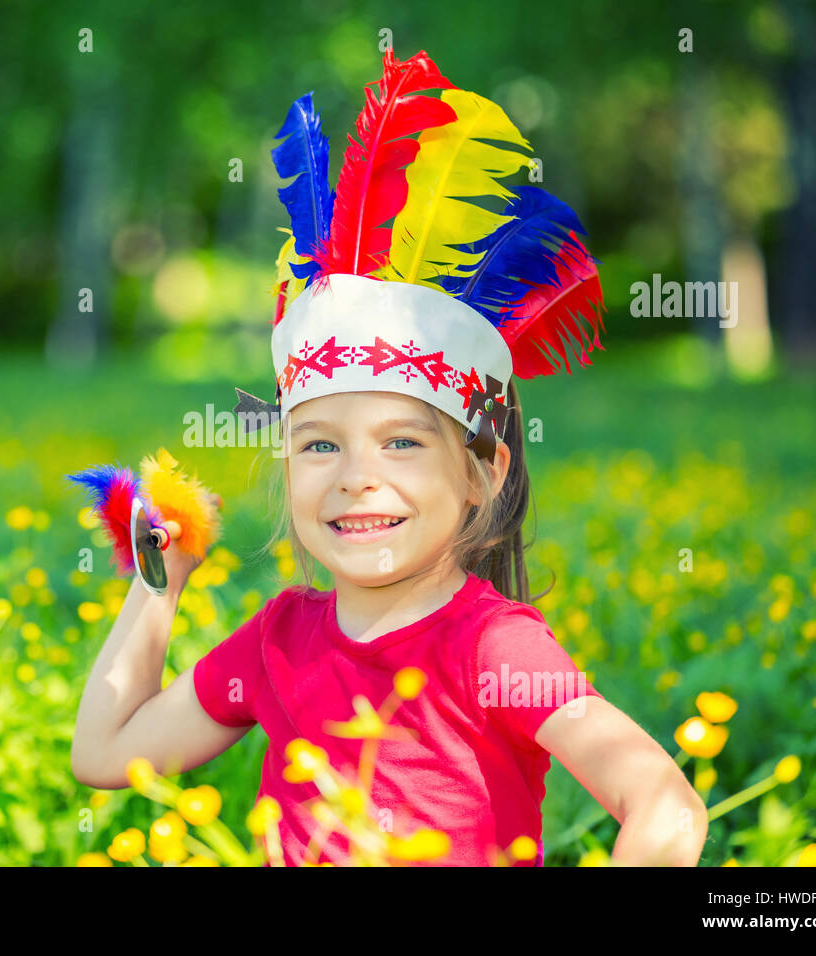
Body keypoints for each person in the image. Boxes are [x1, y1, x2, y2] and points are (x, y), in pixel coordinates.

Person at [71, 48, 707, 866]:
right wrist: (163, 583)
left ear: (484, 471)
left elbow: (664, 804)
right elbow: (104, 754)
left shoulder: (492, 648)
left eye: (401, 441)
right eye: (320, 444)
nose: (354, 475)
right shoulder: (279, 642)